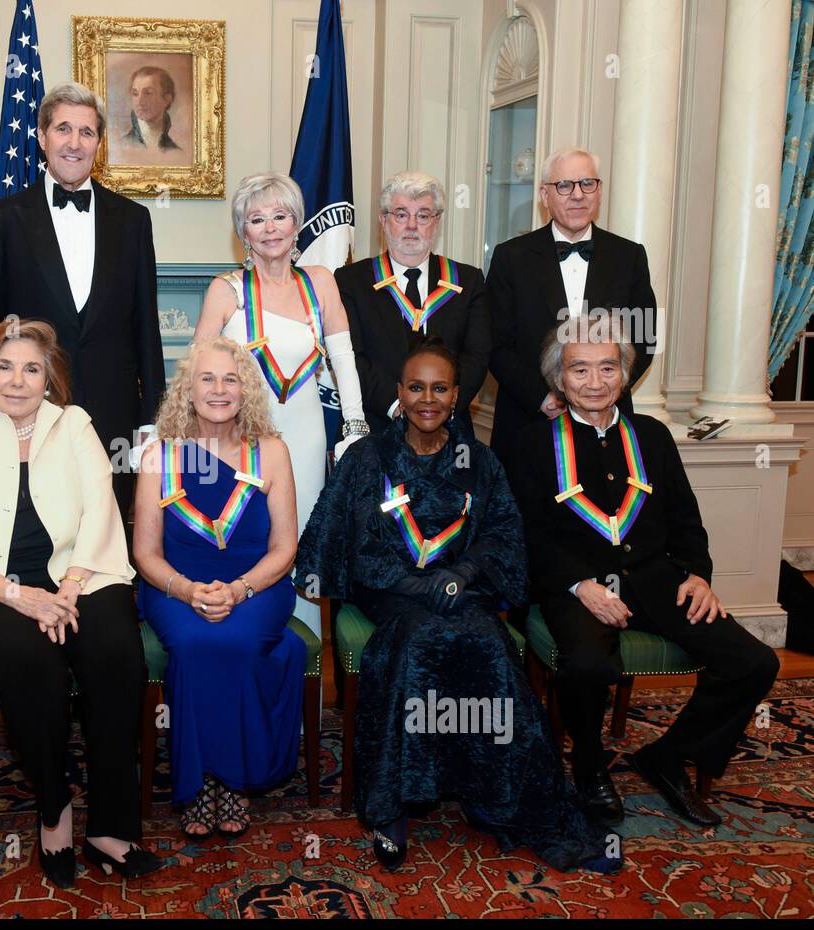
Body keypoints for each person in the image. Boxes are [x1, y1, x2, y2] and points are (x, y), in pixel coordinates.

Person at [295, 340, 620, 873]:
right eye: (416, 387)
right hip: (393, 596)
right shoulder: (368, 457)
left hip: (460, 591)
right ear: (400, 393)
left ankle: (497, 792)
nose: (428, 398)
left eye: (440, 388)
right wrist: (423, 587)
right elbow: (357, 544)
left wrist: (461, 574)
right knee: (418, 641)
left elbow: (501, 535)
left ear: (457, 395)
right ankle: (391, 807)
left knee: (488, 643)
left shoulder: (480, 460)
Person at [0, 318, 164, 888]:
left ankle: (110, 826)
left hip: (82, 573)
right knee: (33, 662)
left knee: (114, 650)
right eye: (4, 367)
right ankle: (53, 810)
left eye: (32, 368)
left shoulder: (74, 425)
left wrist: (70, 588)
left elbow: (100, 512)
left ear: (49, 379)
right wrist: (17, 595)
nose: (18, 380)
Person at [509, 313, 778, 828]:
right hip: (576, 586)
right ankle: (588, 767)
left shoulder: (652, 436)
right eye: (580, 369)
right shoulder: (531, 444)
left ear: (625, 374)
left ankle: (669, 755)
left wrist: (698, 574)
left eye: (607, 368)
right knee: (588, 665)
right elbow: (527, 533)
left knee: (754, 662)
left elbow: (686, 520)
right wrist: (578, 584)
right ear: (558, 378)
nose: (595, 381)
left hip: (658, 581)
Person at [0, 82, 165, 516]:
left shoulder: (133, 220)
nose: (74, 144)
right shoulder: (3, 219)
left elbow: (145, 327)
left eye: (86, 132)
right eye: (62, 130)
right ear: (41, 137)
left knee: (109, 541)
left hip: (113, 417)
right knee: (33, 530)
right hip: (27, 410)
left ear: (99, 142)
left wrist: (152, 420)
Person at [135, 336, 303, 839]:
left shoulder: (271, 452)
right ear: (187, 388)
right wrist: (188, 592)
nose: (219, 389)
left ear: (246, 390)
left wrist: (241, 590)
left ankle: (226, 780)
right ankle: (205, 780)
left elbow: (286, 548)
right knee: (193, 641)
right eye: (206, 378)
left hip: (259, 587)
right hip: (173, 588)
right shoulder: (157, 455)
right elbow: (144, 555)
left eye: (231, 379)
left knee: (234, 638)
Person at [191, 172, 369, 633]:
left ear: (296, 224)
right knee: (246, 535)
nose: (270, 228)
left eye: (280, 216)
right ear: (242, 231)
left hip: (306, 436)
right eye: (256, 219)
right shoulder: (225, 291)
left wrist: (353, 426)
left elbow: (344, 358)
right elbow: (196, 373)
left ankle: (302, 668)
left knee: (302, 537)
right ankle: (237, 638)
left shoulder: (321, 282)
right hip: (237, 438)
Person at [487, 147, 657, 461]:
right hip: (530, 420)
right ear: (544, 195)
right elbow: (496, 343)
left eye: (587, 184)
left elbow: (644, 339)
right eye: (564, 186)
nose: (577, 195)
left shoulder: (630, 256)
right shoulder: (510, 257)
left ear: (599, 190)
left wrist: (601, 391)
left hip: (609, 422)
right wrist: (544, 396)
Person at [334, 170, 491, 430]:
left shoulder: (468, 280)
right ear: (383, 221)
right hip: (378, 425)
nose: (411, 225)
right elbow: (352, 357)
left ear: (436, 222)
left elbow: (477, 356)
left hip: (449, 429)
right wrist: (397, 406)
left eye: (423, 215)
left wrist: (441, 406)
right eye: (401, 214)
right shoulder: (351, 281)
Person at [123, 66, 182, 151]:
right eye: (135, 94)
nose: (140, 102)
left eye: (148, 93)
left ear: (166, 99)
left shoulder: (176, 152)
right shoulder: (121, 147)